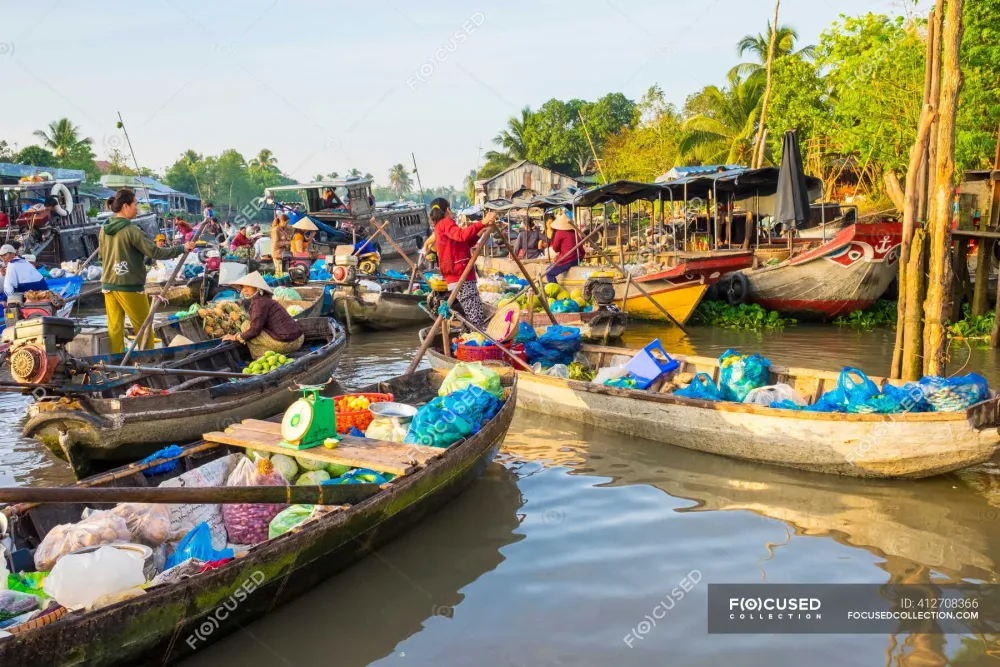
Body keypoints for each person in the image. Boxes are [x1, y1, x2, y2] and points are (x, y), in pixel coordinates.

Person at [99, 189, 194, 353]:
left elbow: (101, 257)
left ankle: (116, 366)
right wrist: (182, 248)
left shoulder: (104, 228)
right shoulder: (131, 230)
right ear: (126, 206)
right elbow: (156, 252)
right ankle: (148, 363)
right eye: (136, 204)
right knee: (144, 328)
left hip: (108, 284)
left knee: (115, 329)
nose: (137, 208)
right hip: (129, 286)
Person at [430, 197, 496, 329]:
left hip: (458, 276)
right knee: (476, 318)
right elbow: (461, 235)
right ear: (448, 210)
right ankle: (473, 344)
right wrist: (482, 222)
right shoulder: (445, 223)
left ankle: (466, 339)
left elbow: (463, 242)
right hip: (461, 276)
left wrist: (478, 232)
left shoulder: (440, 226)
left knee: (472, 316)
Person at [221, 272, 304, 359]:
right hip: (298, 339)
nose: (244, 290)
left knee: (246, 325)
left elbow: (254, 330)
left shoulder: (259, 302)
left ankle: (260, 356)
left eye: (248, 286)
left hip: (287, 344)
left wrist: (235, 337)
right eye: (243, 287)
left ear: (257, 288)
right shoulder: (265, 299)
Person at [545, 211, 583, 284]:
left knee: (548, 272)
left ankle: (556, 290)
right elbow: (581, 247)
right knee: (551, 267)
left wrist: (560, 249)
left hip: (567, 259)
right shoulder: (574, 232)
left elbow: (555, 248)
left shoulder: (560, 233)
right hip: (577, 258)